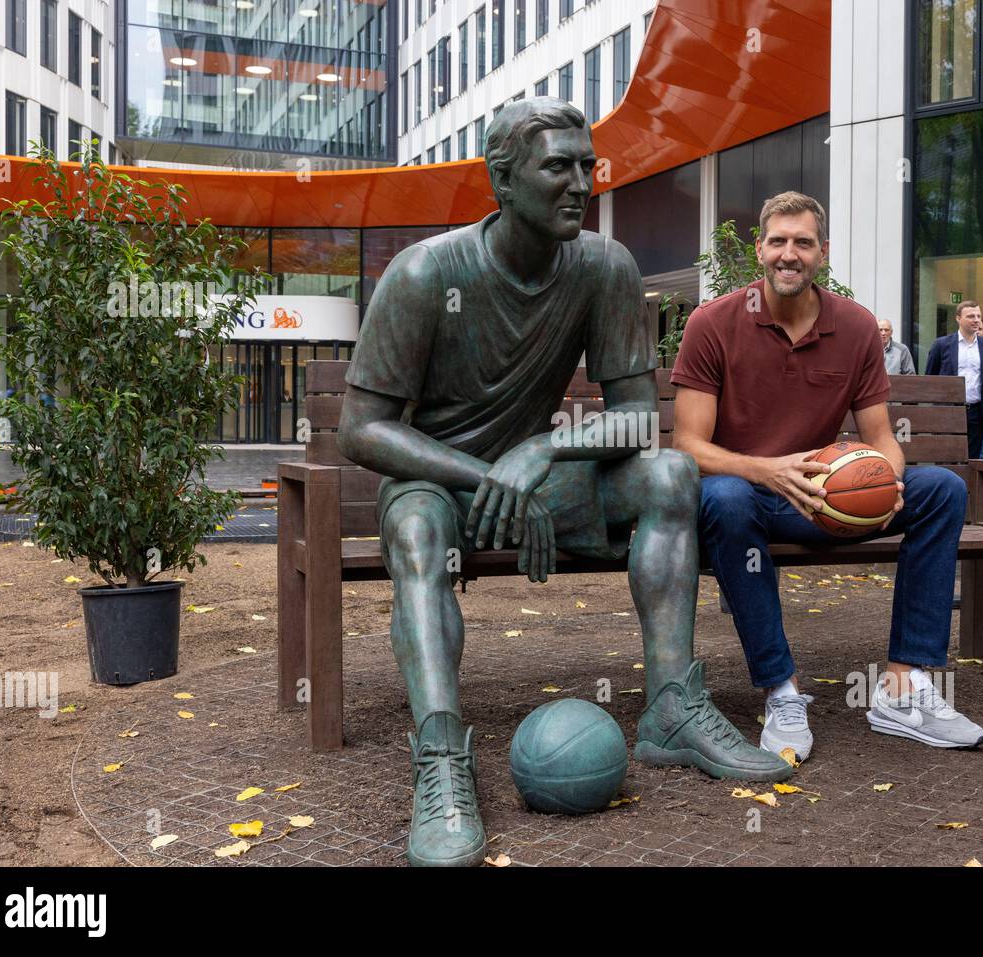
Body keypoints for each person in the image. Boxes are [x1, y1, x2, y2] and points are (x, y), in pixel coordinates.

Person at [338, 98, 791, 867]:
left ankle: (671, 710)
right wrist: (490, 470)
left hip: (539, 488)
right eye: (558, 167)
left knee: (670, 474)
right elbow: (363, 430)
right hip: (440, 487)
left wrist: (544, 454)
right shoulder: (424, 275)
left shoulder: (604, 267)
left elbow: (637, 417)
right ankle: (443, 759)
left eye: (588, 165)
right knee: (416, 530)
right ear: (502, 181)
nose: (581, 183)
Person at [672, 190, 983, 761]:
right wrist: (767, 470)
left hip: (829, 499)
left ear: (823, 253)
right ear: (760, 250)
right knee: (722, 497)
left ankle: (901, 688)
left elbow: (881, 436)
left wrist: (886, 481)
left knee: (941, 489)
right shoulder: (713, 323)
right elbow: (688, 446)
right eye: (778, 241)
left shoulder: (857, 326)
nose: (789, 254)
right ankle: (781, 690)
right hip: (752, 503)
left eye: (803, 243)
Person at [925, 301, 983, 458]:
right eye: (970, 316)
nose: (976, 320)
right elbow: (930, 380)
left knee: (972, 460)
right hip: (948, 412)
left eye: (978, 316)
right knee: (946, 457)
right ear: (958, 318)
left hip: (976, 411)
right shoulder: (941, 345)